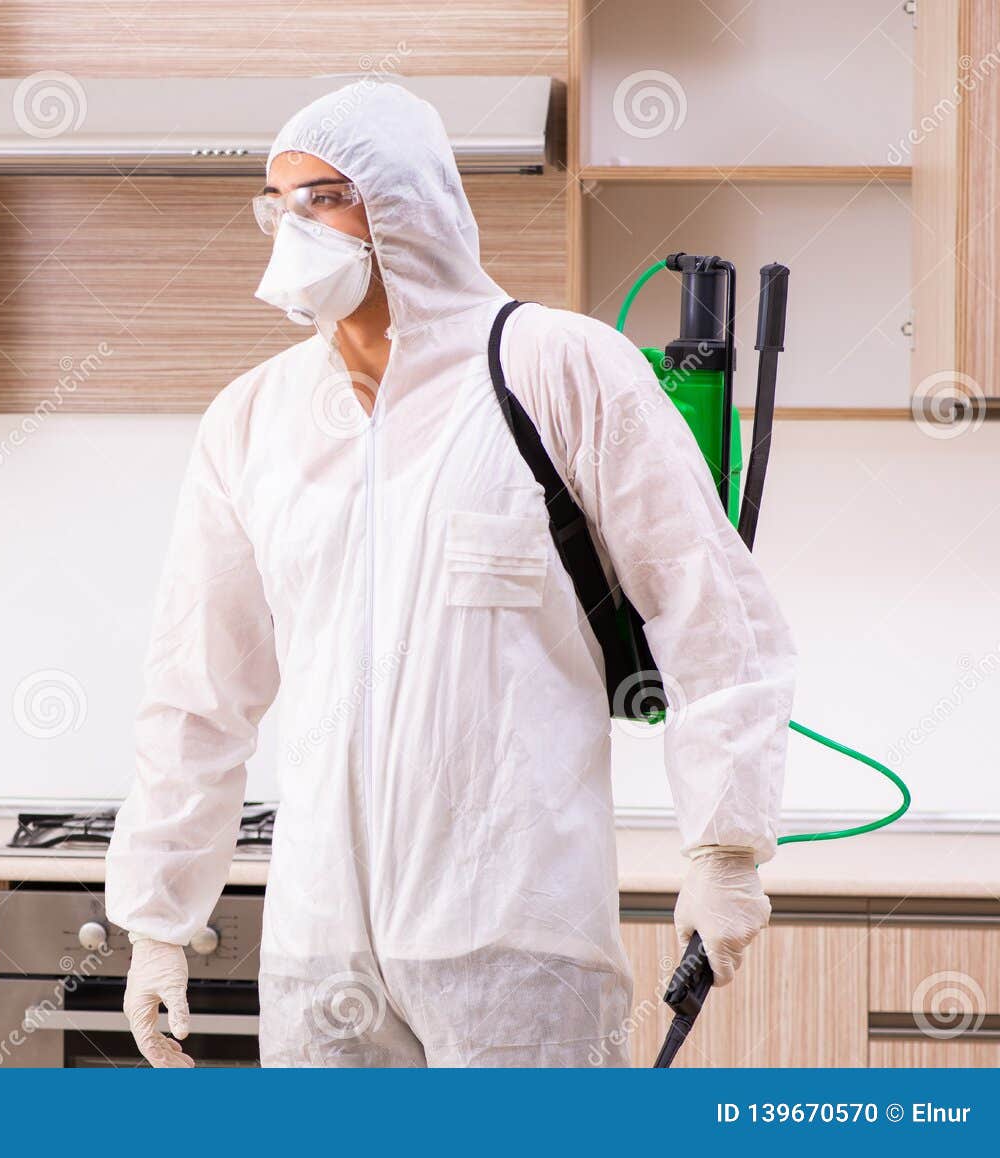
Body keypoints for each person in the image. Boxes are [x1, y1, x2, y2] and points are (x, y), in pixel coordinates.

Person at [105, 81, 796, 1067]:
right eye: (279, 204)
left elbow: (712, 618)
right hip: (320, 954)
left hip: (517, 944)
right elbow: (198, 688)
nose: (295, 228)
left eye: (324, 199)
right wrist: (156, 919)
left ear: (407, 205)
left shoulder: (560, 369)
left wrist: (724, 850)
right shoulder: (254, 418)